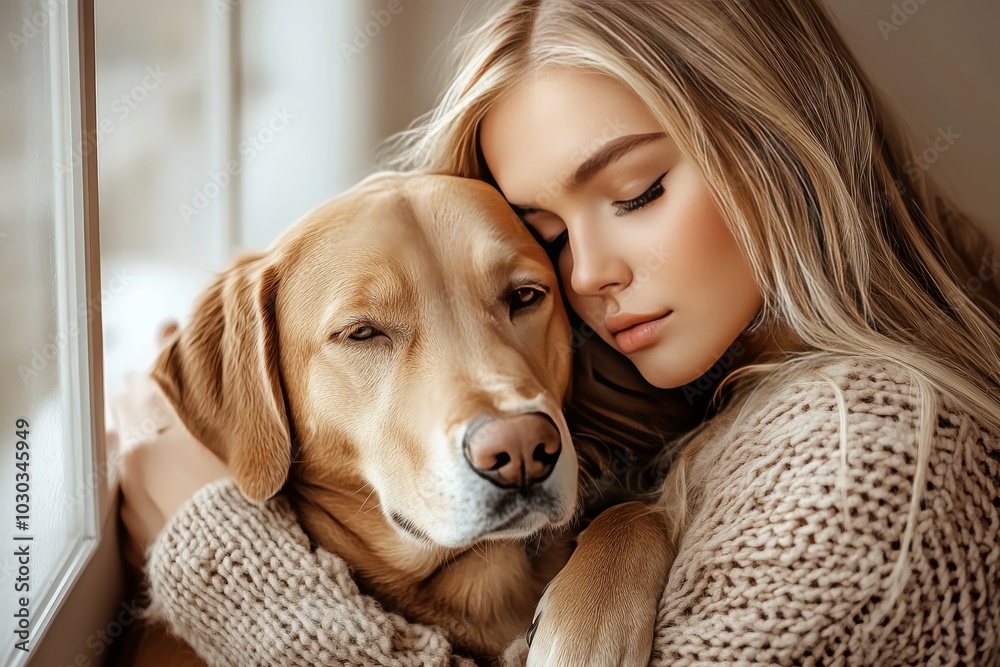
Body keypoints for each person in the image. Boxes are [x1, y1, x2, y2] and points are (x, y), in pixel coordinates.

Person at [114, 0, 1000, 664]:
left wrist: (227, 562)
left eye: (638, 192)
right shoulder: (684, 406)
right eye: (548, 237)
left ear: (781, 141)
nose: (587, 276)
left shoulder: (878, 462)